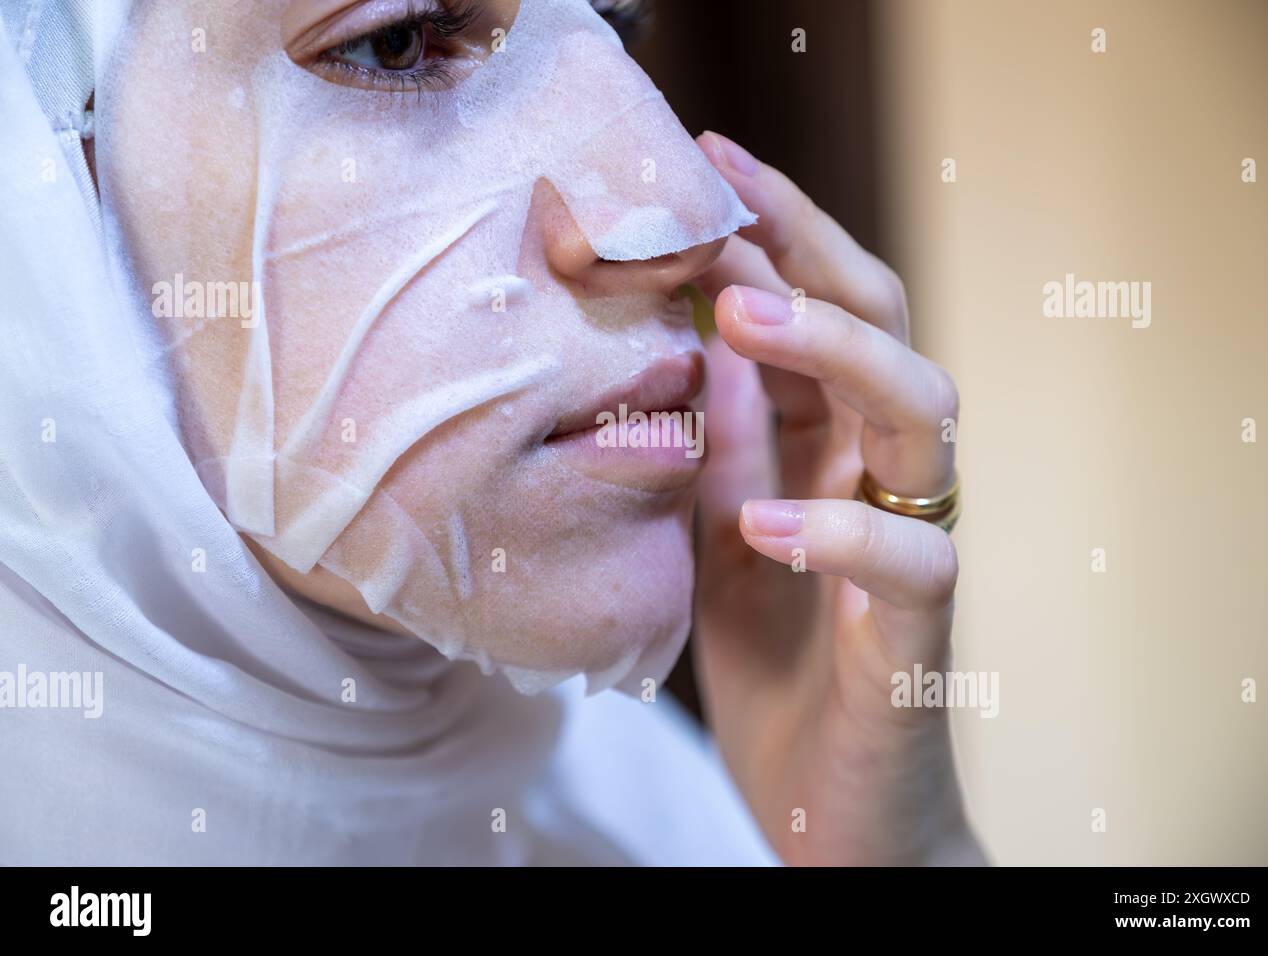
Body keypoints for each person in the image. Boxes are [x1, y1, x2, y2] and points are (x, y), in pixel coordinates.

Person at [0, 0, 984, 865]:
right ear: (41, 202)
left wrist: (895, 853)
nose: (686, 212)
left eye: (618, 22)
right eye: (399, 42)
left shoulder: (645, 815)